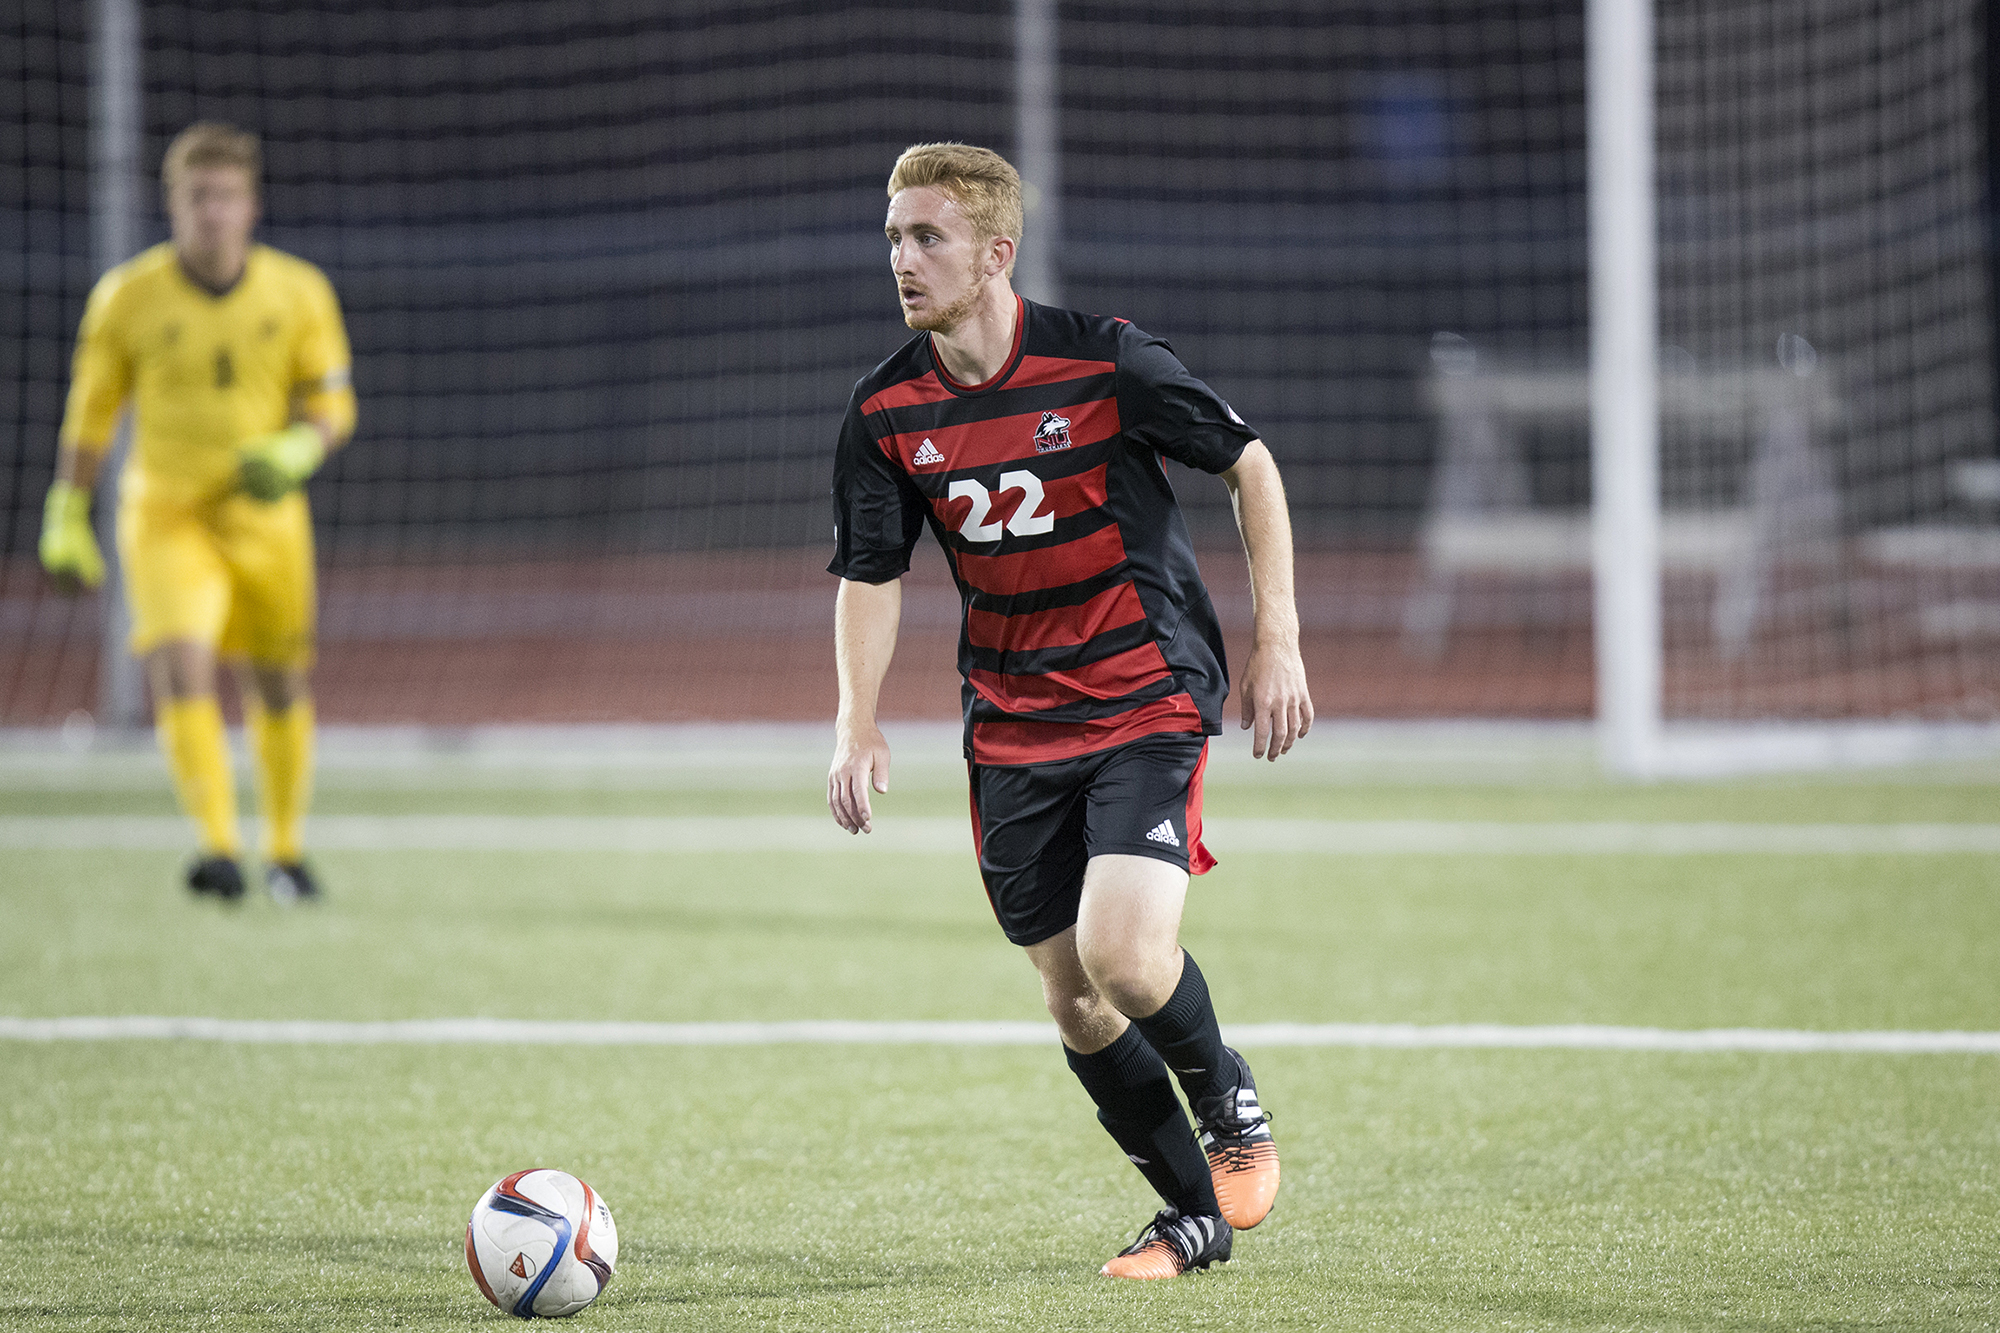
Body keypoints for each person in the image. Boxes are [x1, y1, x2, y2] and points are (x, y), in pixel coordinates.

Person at [826, 143, 1313, 1280]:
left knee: (1125, 956)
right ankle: (1192, 1217)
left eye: (927, 236)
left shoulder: (1106, 362)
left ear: (995, 253)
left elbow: (1247, 462)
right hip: (1009, 728)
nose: (902, 258)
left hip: (1143, 691)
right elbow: (868, 572)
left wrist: (1275, 637)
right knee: (1072, 1000)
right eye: (894, 236)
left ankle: (1230, 1103)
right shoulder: (884, 409)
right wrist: (855, 719)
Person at [40, 122, 355, 904]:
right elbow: (91, 413)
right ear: (171, 204)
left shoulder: (299, 291)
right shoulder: (128, 297)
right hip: (166, 513)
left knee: (278, 682)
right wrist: (66, 508)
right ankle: (217, 847)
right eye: (196, 196)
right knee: (181, 663)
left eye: (225, 196)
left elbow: (334, 402)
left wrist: (299, 451)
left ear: (252, 206)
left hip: (266, 516)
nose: (211, 212)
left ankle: (284, 849)